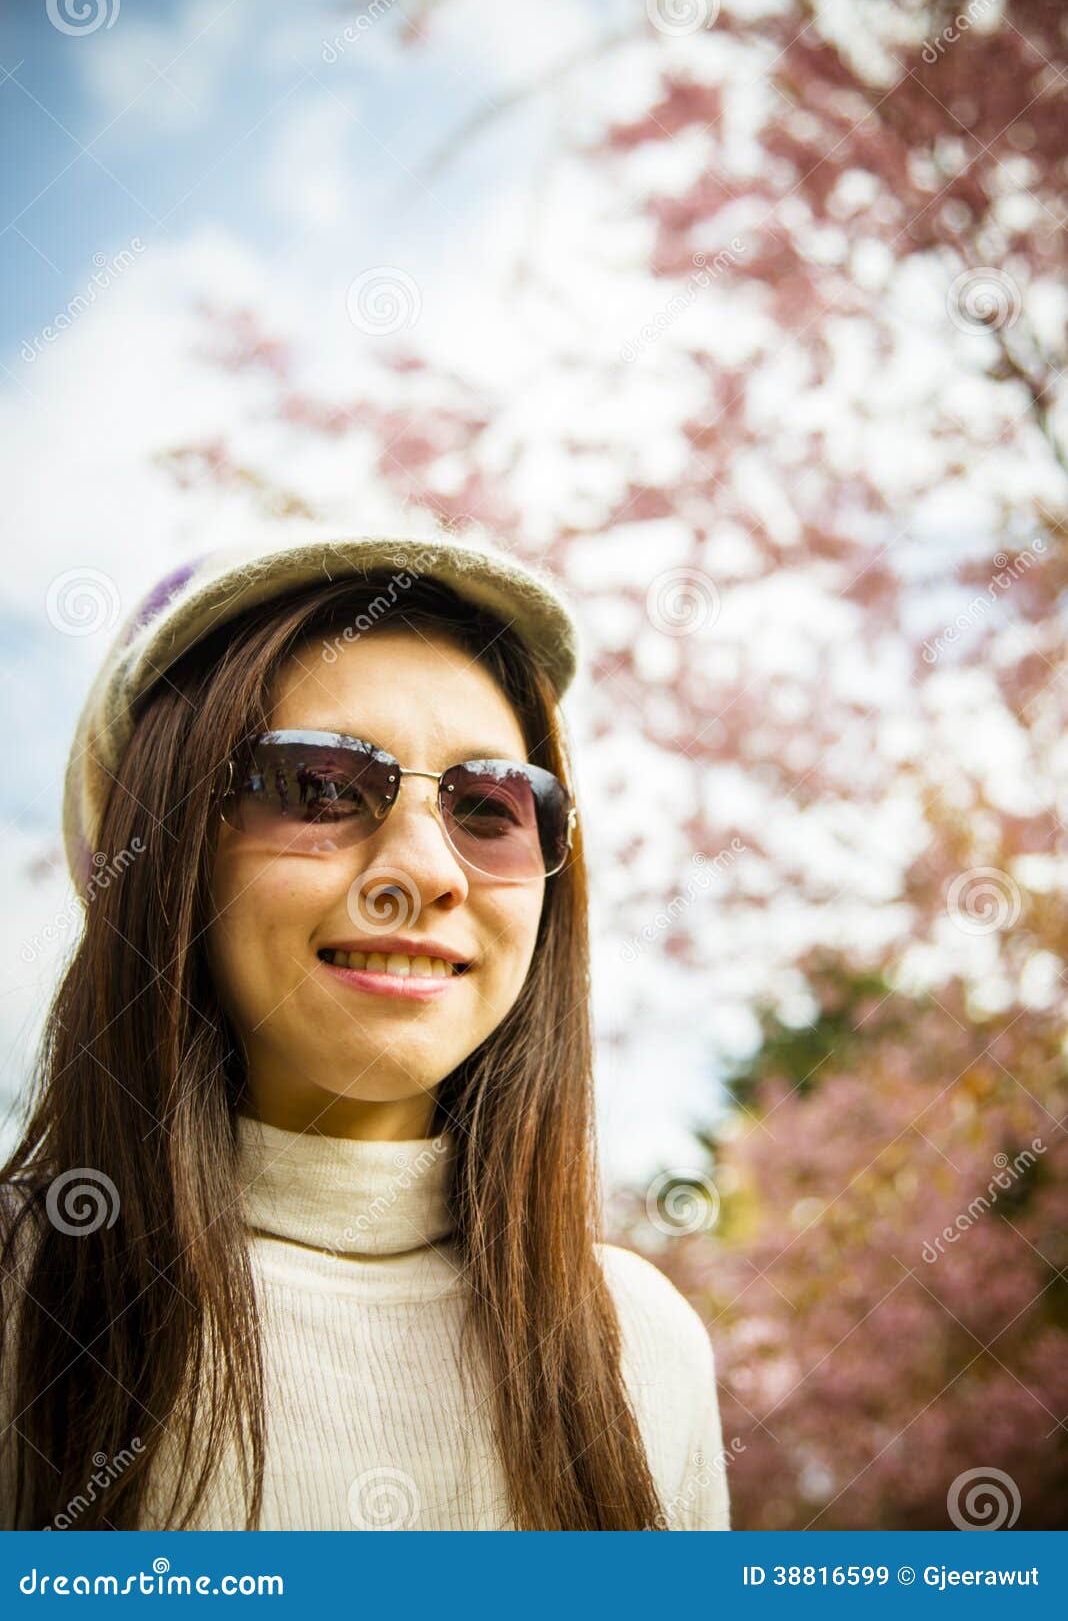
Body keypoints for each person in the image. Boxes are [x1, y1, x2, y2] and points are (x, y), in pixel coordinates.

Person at [0, 527, 730, 1531]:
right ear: (161, 859)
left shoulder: (644, 1347)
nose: (428, 871)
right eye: (319, 787)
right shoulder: (20, 1302)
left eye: (489, 807)